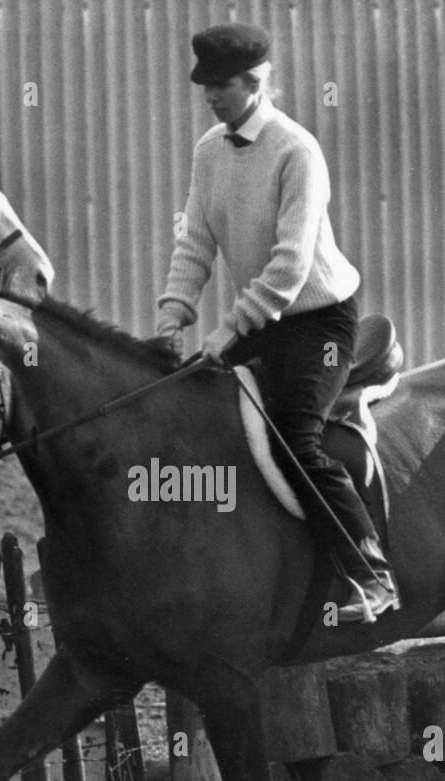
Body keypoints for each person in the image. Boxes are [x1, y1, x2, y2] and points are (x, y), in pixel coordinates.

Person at [155, 23, 399, 622]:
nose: (211, 96)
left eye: (222, 85)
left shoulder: (298, 151)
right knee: (191, 410)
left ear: (256, 81)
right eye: (205, 86)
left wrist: (231, 328)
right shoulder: (210, 150)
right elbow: (194, 244)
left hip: (319, 324)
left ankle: (372, 575)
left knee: (295, 437)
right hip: (264, 318)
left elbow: (290, 265)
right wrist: (172, 316)